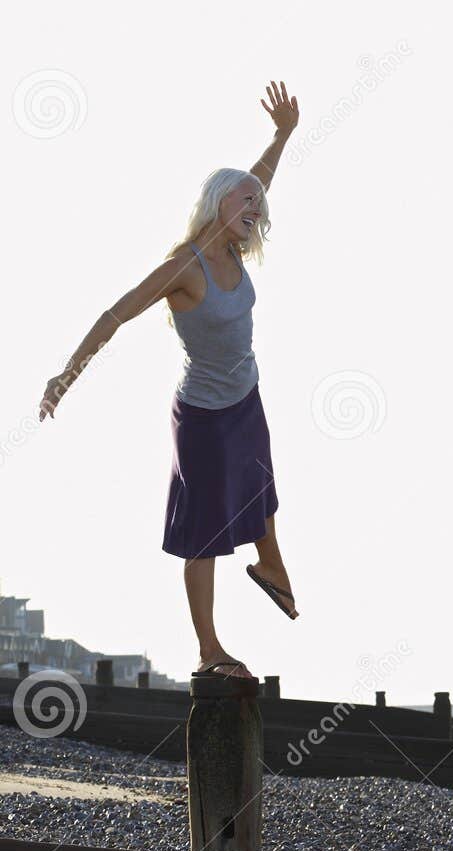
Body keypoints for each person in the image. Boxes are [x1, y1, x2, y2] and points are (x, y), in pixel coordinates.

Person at [39, 81, 302, 682]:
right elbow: (114, 315)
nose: (256, 209)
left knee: (263, 491)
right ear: (217, 205)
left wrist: (283, 134)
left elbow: (257, 179)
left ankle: (272, 568)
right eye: (245, 202)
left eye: (258, 202)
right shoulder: (184, 266)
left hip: (247, 395)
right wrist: (65, 376)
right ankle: (209, 649)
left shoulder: (237, 247)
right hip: (204, 414)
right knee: (203, 532)